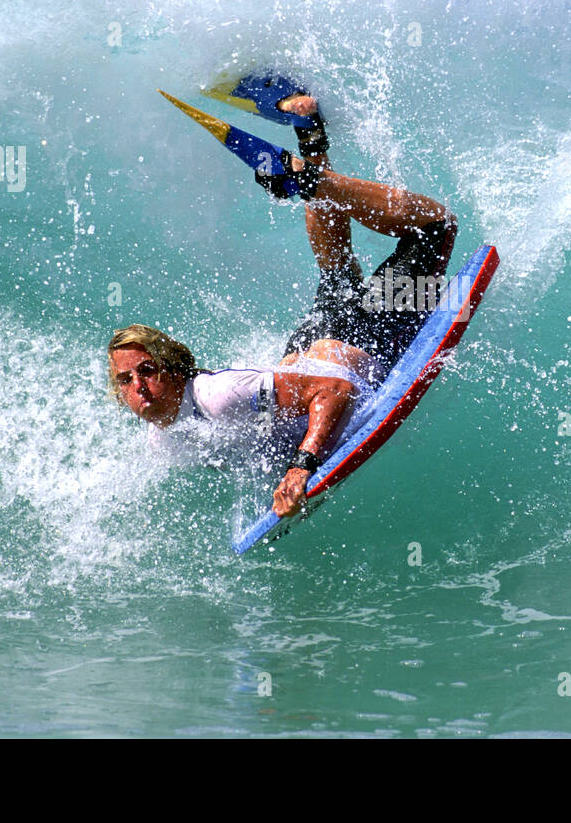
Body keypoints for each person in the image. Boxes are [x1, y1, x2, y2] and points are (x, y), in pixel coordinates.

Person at [109, 85, 457, 519]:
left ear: (174, 368)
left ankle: (310, 178)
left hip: (361, 341)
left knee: (435, 228)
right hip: (313, 349)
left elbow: (338, 391)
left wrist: (300, 468)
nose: (139, 386)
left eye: (147, 371)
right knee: (337, 271)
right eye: (126, 381)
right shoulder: (164, 439)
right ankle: (309, 133)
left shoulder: (217, 395)